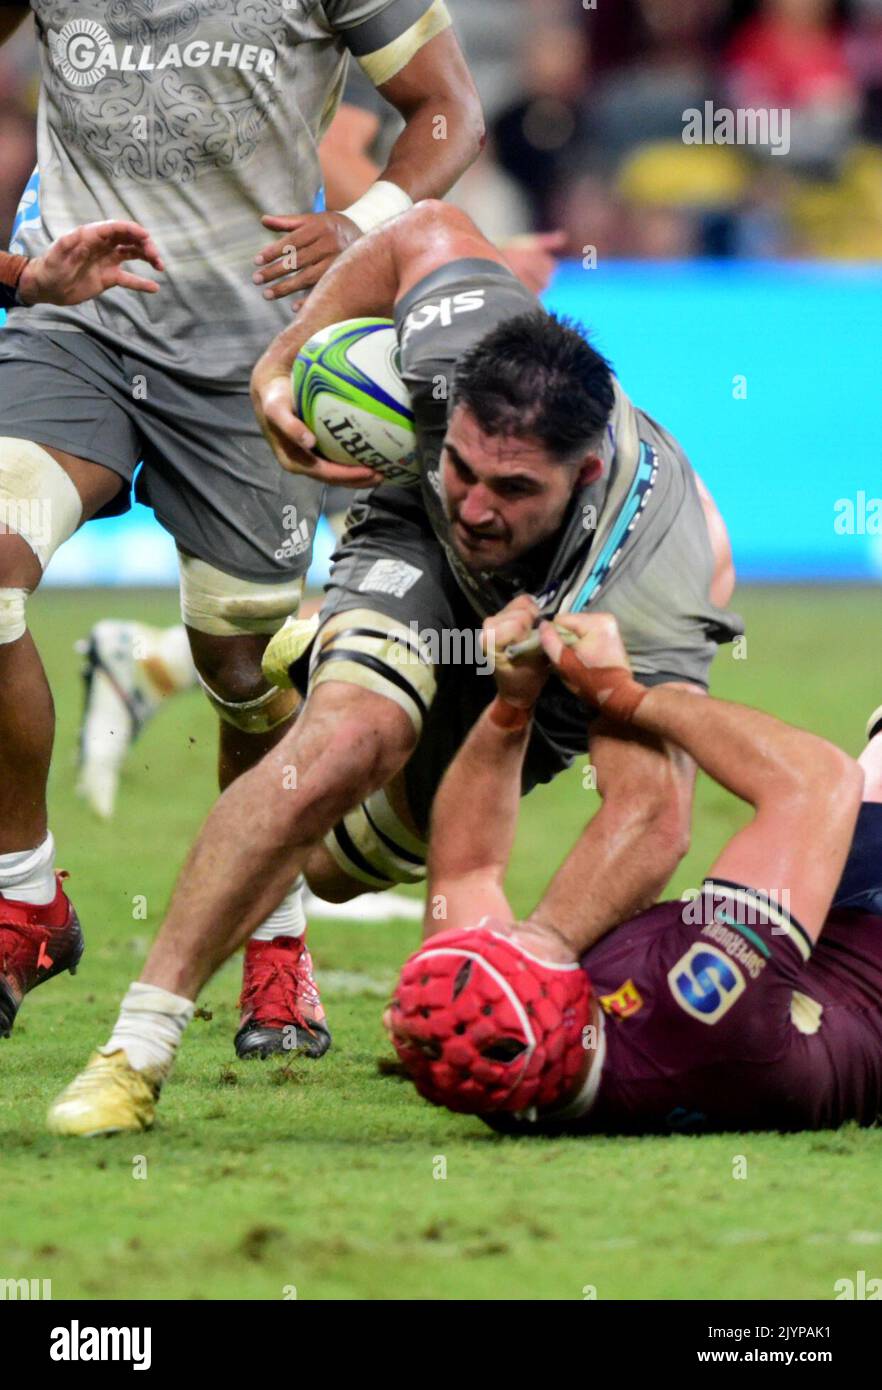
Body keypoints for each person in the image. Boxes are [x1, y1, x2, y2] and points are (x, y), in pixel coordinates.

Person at [46, 198, 742, 1136]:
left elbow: (653, 816)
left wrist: (525, 962)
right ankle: (133, 1051)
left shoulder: (650, 575)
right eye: (466, 467)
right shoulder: (458, 344)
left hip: (558, 640)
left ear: (578, 477)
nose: (481, 506)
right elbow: (426, 225)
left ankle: (315, 660)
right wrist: (278, 364)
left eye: (514, 488)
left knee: (333, 872)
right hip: (411, 546)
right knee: (345, 744)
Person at [0, 0, 483, 1052]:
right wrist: (14, 269)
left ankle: (276, 938)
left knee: (244, 666)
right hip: (72, 322)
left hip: (248, 358)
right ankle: (24, 894)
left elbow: (449, 108)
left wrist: (363, 223)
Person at [387, 606, 882, 1135]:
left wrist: (512, 705)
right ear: (563, 1003)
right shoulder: (693, 1008)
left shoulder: (504, 1057)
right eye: (515, 947)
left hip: (830, 947)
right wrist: (624, 696)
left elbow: (467, 872)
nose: (506, 934)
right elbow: (818, 781)